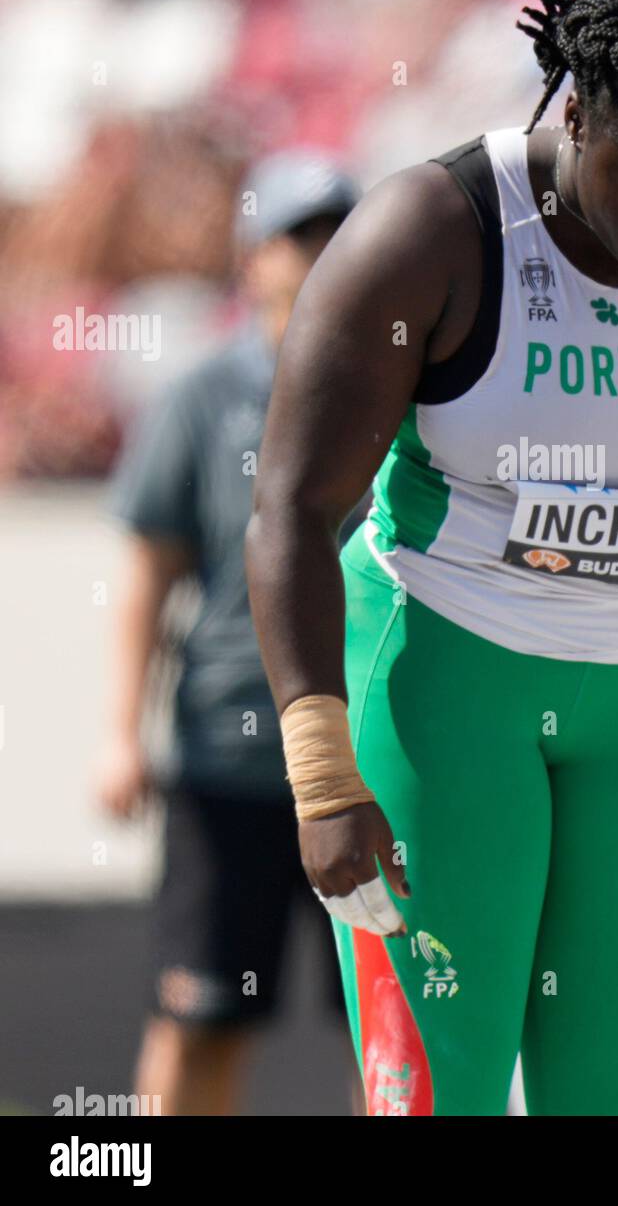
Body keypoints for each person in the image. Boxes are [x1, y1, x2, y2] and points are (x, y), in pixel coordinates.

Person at [245, 0, 618, 1116]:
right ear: (573, 119)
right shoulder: (431, 231)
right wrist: (321, 772)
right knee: (439, 1099)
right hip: (442, 694)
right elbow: (290, 508)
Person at [97, 149, 364, 1115]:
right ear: (255, 256)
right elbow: (147, 579)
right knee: (199, 1015)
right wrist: (120, 734)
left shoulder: (404, 393)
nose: (323, 252)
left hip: (375, 760)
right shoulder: (202, 399)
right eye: (301, 233)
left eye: (339, 230)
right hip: (228, 762)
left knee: (390, 1027)